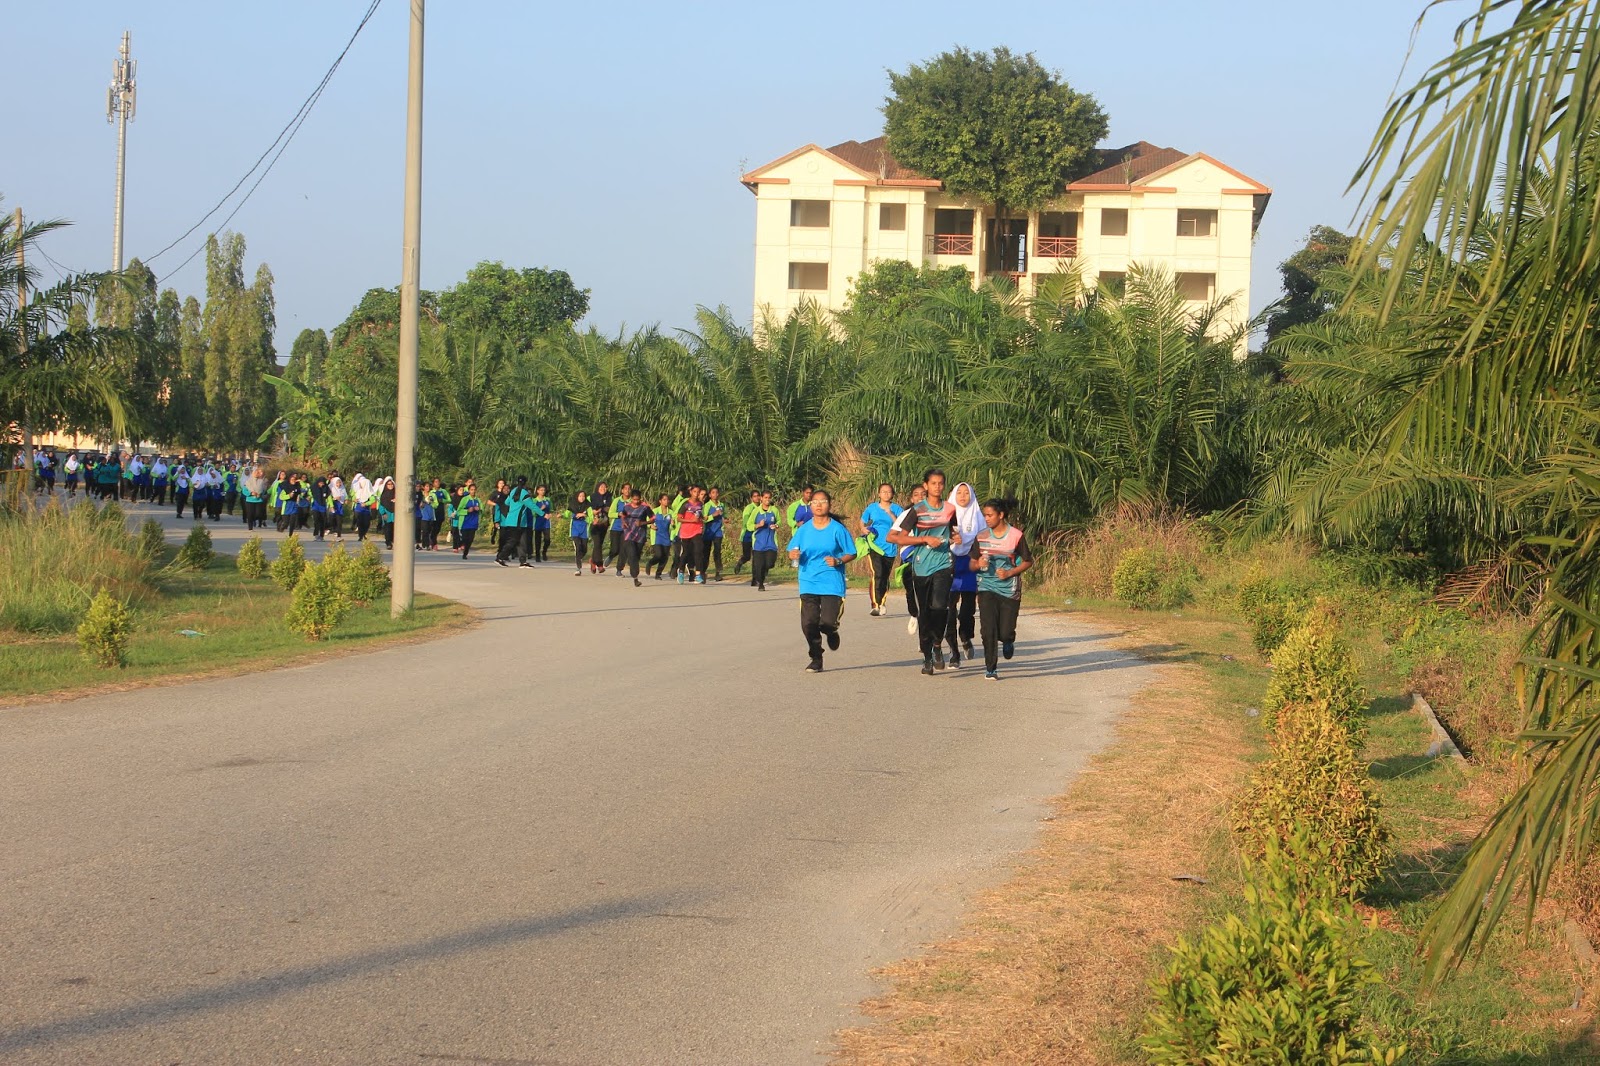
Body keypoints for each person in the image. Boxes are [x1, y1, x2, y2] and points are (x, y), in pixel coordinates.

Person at [888, 468, 958, 676]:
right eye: (933, 483)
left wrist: (956, 538)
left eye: (941, 483)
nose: (937, 487)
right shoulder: (916, 510)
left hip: (943, 564)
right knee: (925, 614)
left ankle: (937, 643)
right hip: (920, 567)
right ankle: (928, 657)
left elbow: (952, 531)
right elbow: (896, 538)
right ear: (925, 486)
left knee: (940, 607)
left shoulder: (950, 509)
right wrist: (923, 539)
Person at [788, 489, 856, 672]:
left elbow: (852, 552)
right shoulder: (804, 529)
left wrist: (839, 560)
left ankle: (831, 631)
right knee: (808, 624)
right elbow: (792, 550)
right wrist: (793, 554)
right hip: (808, 581)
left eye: (823, 501)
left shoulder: (837, 529)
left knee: (826, 622)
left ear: (829, 504)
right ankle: (816, 657)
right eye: (815, 502)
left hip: (832, 583)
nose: (818, 505)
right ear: (810, 506)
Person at [974, 497, 1033, 681]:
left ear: (1001, 515)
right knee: (987, 629)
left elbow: (1028, 561)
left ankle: (1008, 640)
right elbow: (971, 563)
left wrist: (1010, 573)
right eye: (985, 515)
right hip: (986, 586)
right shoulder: (981, 536)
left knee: (1005, 631)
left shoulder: (1016, 536)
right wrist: (978, 563)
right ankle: (991, 667)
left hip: (1009, 589)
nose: (987, 518)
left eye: (990, 515)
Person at [944, 482, 984, 667]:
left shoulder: (977, 515)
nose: (962, 496)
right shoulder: (946, 514)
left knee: (967, 610)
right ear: (953, 495)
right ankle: (953, 651)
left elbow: (985, 538)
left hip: (970, 561)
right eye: (958, 492)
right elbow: (935, 535)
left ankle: (965, 637)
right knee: (949, 609)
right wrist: (951, 538)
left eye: (966, 492)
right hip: (948, 561)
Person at [860, 482, 904, 617]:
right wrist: (863, 528)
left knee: (884, 576)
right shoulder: (872, 507)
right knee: (877, 573)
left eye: (889, 492)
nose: (886, 494)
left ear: (892, 494)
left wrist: (890, 513)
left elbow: (901, 525)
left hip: (890, 547)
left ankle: (882, 602)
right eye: (883, 491)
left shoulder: (897, 508)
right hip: (874, 546)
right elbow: (862, 521)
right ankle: (875, 604)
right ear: (879, 494)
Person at [900, 484, 926, 632]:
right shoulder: (906, 515)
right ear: (911, 498)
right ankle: (914, 614)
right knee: (911, 591)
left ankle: (925, 639)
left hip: (930, 559)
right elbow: (893, 536)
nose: (920, 497)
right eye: (916, 494)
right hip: (909, 558)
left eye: (923, 494)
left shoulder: (936, 513)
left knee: (928, 599)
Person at [618, 488, 653, 587]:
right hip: (628, 533)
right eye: (634, 500)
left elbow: (653, 518)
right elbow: (623, 516)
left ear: (640, 499)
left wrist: (643, 522)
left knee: (636, 556)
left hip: (640, 535)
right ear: (631, 499)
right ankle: (635, 577)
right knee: (632, 554)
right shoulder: (626, 507)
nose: (636, 502)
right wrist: (623, 522)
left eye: (638, 500)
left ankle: (632, 563)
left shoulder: (645, 507)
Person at [750, 490, 780, 591]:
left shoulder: (774, 510)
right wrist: (758, 525)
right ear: (761, 499)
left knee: (770, 563)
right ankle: (761, 584)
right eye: (765, 498)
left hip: (771, 543)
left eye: (769, 498)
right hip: (759, 544)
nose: (767, 500)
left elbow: (779, 521)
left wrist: (776, 525)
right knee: (759, 566)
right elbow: (749, 526)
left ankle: (765, 570)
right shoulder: (756, 511)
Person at [676, 486, 707, 584]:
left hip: (697, 530)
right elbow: (679, 518)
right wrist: (690, 520)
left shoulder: (700, 504)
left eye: (698, 492)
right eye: (695, 492)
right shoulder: (686, 504)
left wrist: (702, 518)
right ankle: (680, 571)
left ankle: (698, 574)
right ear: (690, 492)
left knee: (699, 550)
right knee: (686, 553)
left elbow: (699, 515)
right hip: (686, 532)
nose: (697, 494)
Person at [704, 487, 726, 581]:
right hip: (709, 531)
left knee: (717, 551)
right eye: (713, 493)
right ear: (710, 495)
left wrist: (726, 519)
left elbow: (724, 516)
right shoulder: (707, 505)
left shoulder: (722, 505)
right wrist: (713, 515)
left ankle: (718, 572)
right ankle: (703, 571)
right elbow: (704, 519)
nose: (715, 494)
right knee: (706, 552)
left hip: (718, 531)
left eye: (717, 492)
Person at [735, 490, 759, 575]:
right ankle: (739, 563)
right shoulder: (749, 508)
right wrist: (755, 525)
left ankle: (756, 574)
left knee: (756, 555)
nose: (757, 498)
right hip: (747, 534)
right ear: (751, 498)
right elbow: (745, 522)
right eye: (755, 496)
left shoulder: (761, 507)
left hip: (757, 535)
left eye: (758, 496)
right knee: (747, 556)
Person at [649, 494, 674, 578]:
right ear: (660, 501)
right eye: (664, 499)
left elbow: (674, 526)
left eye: (667, 499)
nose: (666, 501)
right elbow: (647, 520)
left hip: (667, 537)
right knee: (659, 554)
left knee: (665, 557)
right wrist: (651, 525)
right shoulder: (655, 511)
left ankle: (658, 573)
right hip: (657, 537)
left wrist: (673, 524)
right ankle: (650, 563)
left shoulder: (671, 512)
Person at [455, 483, 482, 559]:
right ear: (469, 490)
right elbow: (458, 511)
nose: (473, 491)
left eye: (474, 490)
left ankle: (465, 553)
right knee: (464, 538)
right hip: (465, 522)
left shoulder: (478, 500)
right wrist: (467, 511)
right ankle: (461, 544)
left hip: (473, 523)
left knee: (470, 539)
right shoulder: (465, 499)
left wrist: (478, 509)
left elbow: (482, 510)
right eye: (471, 490)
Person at [567, 490, 591, 574]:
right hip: (575, 530)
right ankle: (578, 568)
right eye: (580, 496)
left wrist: (584, 515)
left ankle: (579, 558)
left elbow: (591, 518)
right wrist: (561, 515)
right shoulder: (572, 505)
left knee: (584, 549)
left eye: (583, 496)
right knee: (578, 547)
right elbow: (567, 514)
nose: (582, 498)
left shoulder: (588, 507)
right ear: (577, 497)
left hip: (584, 530)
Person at [532, 485, 553, 562]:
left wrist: (550, 514)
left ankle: (544, 552)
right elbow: (533, 513)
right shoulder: (534, 500)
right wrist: (540, 509)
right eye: (541, 490)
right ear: (537, 491)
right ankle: (537, 555)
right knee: (537, 540)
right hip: (538, 522)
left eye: (543, 490)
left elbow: (551, 510)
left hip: (546, 522)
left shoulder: (548, 500)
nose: (542, 492)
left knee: (547, 539)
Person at [242, 466, 268, 531]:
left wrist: (260, 494)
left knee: (258, 514)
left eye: (257, 472)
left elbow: (263, 490)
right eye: (255, 472)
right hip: (250, 500)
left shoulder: (261, 481)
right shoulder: (248, 481)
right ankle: (250, 527)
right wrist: (251, 493)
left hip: (258, 500)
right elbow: (244, 490)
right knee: (250, 514)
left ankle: (255, 519)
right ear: (252, 473)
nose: (256, 473)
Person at [378, 477, 397, 548]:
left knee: (394, 529)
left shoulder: (396, 494)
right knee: (387, 529)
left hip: (395, 515)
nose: (390, 485)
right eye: (388, 484)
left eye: (392, 484)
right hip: (387, 514)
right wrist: (383, 513)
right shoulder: (384, 495)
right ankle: (388, 543)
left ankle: (393, 542)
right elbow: (381, 505)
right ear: (386, 485)